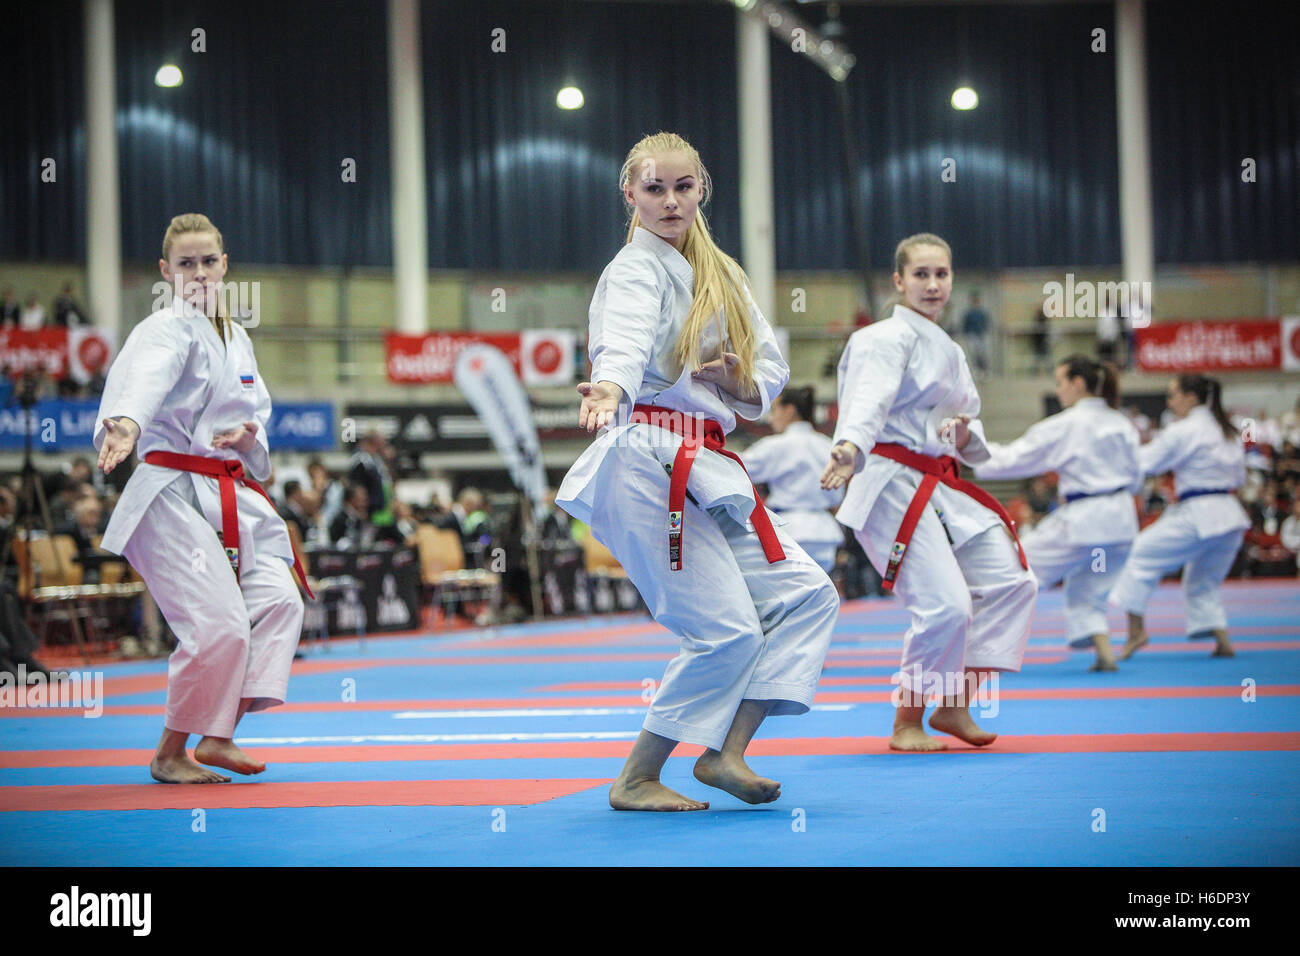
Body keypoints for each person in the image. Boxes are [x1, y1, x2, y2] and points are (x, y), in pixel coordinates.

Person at [555, 132, 839, 811]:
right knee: (727, 631)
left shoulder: (727, 275)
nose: (670, 200)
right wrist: (610, 389)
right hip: (645, 457)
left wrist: (741, 381)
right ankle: (635, 778)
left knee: (808, 596)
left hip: (709, 462)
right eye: (654, 189)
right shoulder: (634, 269)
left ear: (702, 189)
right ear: (631, 195)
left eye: (683, 187)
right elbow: (620, 342)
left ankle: (725, 753)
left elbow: (769, 372)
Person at [95, 212, 310, 784]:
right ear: (167, 272)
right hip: (169, 494)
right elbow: (144, 377)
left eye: (208, 262)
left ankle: (217, 736)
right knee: (219, 627)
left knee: (281, 603)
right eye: (185, 264)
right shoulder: (163, 329)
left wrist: (249, 437)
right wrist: (127, 424)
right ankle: (169, 754)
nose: (198, 274)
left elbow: (255, 415)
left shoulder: (236, 337)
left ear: (224, 265)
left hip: (226, 492)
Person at [822, 233, 1037, 752]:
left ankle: (954, 702)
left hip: (938, 482)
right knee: (946, 605)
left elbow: (967, 418)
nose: (933, 284)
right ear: (899, 282)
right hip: (890, 479)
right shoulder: (881, 339)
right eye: (921, 274)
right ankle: (906, 721)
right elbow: (867, 402)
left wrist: (965, 436)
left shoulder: (951, 350)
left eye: (941, 274)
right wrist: (851, 446)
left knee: (1012, 582)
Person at [973, 357, 1141, 671]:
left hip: (1085, 522)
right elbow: (1137, 476)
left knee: (1015, 570)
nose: (1058, 389)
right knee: (1089, 586)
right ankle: (1105, 654)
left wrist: (967, 444)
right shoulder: (1121, 423)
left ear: (1078, 384)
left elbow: (1014, 458)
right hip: (1119, 523)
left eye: (1060, 382)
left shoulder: (1067, 424)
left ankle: (983, 650)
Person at [1109, 374, 1250, 659]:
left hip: (1199, 513)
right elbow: (1240, 476)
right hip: (1231, 516)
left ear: (1191, 397)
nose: (1170, 401)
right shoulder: (1229, 430)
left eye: (1174, 395)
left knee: (1139, 553)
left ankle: (1136, 631)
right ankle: (1222, 640)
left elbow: (1145, 462)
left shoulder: (1183, 430)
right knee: (1203, 580)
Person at [740, 386, 844, 573]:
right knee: (820, 594)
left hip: (791, 531)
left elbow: (738, 468)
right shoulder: (828, 446)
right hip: (825, 532)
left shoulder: (777, 446)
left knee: (794, 596)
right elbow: (837, 496)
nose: (771, 419)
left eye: (774, 410)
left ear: (790, 410)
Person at [960, 292, 991, 378]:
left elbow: (986, 323)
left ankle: (984, 370)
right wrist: (966, 333)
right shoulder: (968, 313)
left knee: (981, 353)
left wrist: (985, 331)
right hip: (971, 335)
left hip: (981, 335)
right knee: (973, 353)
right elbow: (965, 324)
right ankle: (977, 370)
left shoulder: (982, 312)